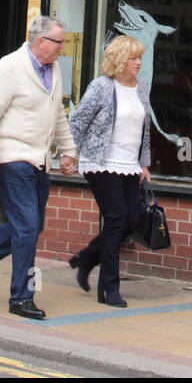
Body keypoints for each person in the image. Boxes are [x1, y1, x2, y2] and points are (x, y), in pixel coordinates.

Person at [0, 16, 77, 319]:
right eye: (59, 42)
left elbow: (58, 114)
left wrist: (68, 150)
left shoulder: (53, 71)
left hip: (39, 161)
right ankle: (21, 297)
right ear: (41, 42)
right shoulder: (9, 68)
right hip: (12, 158)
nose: (62, 48)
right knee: (27, 227)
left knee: (31, 225)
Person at [66, 35, 153, 308]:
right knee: (116, 220)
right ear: (119, 60)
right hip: (101, 162)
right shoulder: (102, 87)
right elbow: (77, 121)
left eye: (139, 57)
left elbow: (145, 129)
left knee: (132, 220)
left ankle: (88, 258)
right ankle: (108, 289)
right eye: (132, 58)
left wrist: (144, 163)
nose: (138, 63)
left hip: (129, 163)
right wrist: (70, 153)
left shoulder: (140, 88)